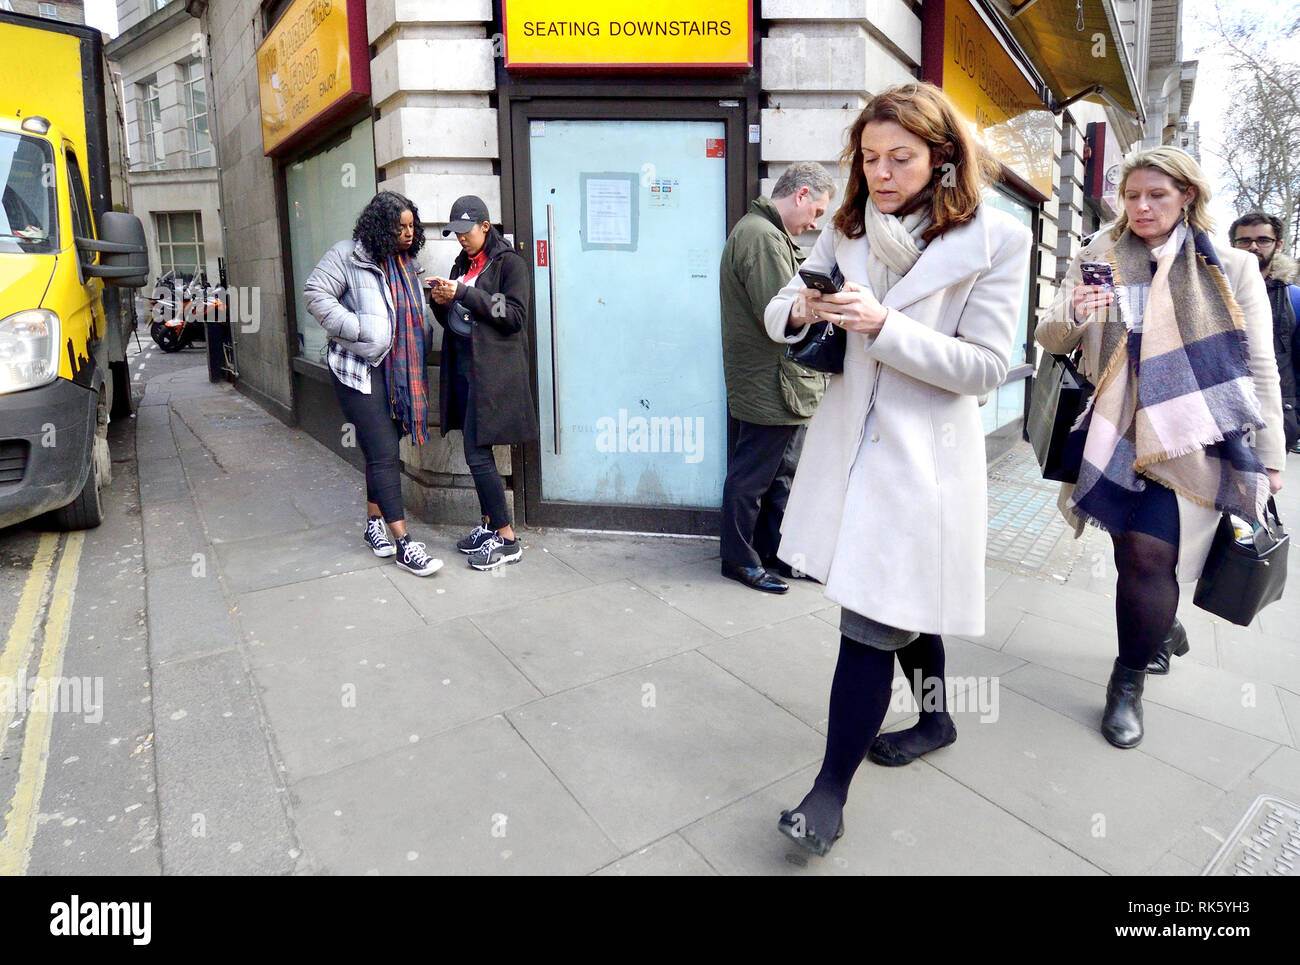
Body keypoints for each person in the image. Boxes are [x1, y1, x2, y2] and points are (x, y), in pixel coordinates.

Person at [763, 82, 1033, 856]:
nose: (881, 173)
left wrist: (885, 327)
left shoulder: (997, 241)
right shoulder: (848, 229)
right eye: (870, 157)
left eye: (901, 159)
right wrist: (806, 309)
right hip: (849, 449)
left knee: (870, 619)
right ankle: (940, 717)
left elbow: (984, 367)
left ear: (943, 158)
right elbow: (783, 304)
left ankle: (828, 792)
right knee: (902, 604)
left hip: (925, 465)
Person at [1036, 148, 1285, 749]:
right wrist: (1074, 310)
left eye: (1157, 196)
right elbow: (1048, 335)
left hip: (1190, 434)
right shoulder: (1099, 254)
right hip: (1114, 428)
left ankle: (1127, 683)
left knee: (1151, 555)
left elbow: (1258, 363)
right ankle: (1158, 626)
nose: (1141, 208)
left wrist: (1272, 456)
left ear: (1187, 197)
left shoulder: (1229, 265)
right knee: (1133, 554)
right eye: (1131, 197)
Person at [303, 191, 443, 577]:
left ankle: (373, 525)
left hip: (397, 369)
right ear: (380, 225)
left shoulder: (407, 264)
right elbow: (315, 294)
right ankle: (404, 543)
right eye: (400, 227)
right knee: (383, 450)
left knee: (381, 446)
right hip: (357, 367)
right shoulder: (346, 254)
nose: (408, 233)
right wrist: (359, 329)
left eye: (412, 226)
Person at [718, 161, 835, 593]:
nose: (815, 222)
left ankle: (773, 552)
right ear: (801, 194)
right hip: (771, 381)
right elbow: (779, 312)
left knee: (778, 474)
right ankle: (739, 559)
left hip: (778, 380)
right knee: (753, 477)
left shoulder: (768, 234)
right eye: (817, 211)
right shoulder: (762, 237)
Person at [427, 195, 539, 570]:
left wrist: (464, 292)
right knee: (476, 451)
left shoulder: (510, 264)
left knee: (477, 453)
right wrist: (441, 301)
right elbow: (457, 321)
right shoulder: (462, 263)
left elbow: (512, 315)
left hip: (493, 375)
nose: (460, 239)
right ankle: (489, 525)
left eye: (465, 231)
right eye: (455, 233)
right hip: (464, 369)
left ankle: (507, 539)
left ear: (485, 226)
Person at [1229, 211, 1299, 453]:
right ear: (1233, 245)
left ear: (1278, 244)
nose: (1253, 247)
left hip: (1274, 413)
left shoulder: (1294, 299)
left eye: (1263, 240)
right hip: (1225, 410)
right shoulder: (1217, 291)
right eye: (1244, 241)